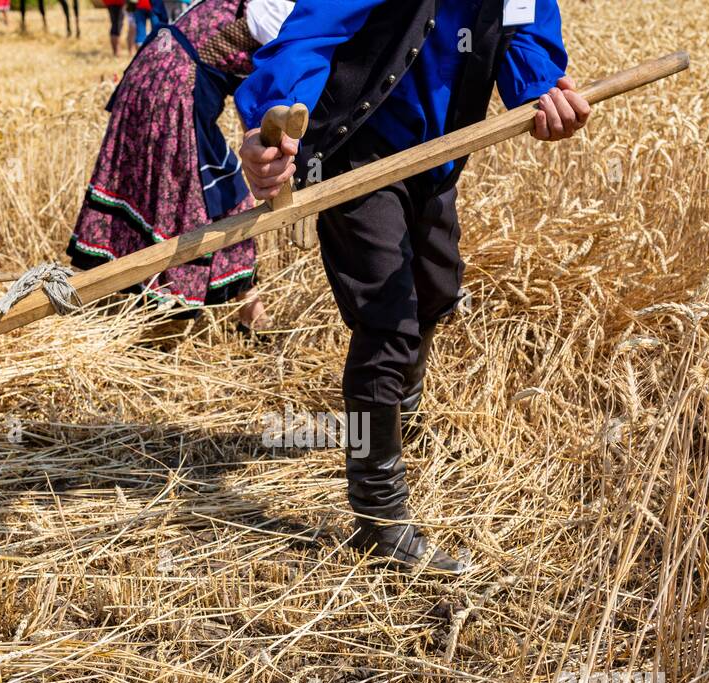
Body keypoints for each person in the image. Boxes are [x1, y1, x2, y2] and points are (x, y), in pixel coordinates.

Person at [235, 0, 591, 572]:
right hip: (358, 154)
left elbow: (524, 33)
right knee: (387, 322)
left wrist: (542, 90)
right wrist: (270, 121)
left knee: (436, 291)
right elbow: (311, 35)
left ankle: (397, 417)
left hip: (436, 158)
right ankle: (378, 515)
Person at [67, 0, 294, 328]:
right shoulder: (276, 7)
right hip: (173, 88)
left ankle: (249, 309)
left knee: (215, 190)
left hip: (156, 70)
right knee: (201, 198)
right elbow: (269, 86)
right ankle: (178, 307)